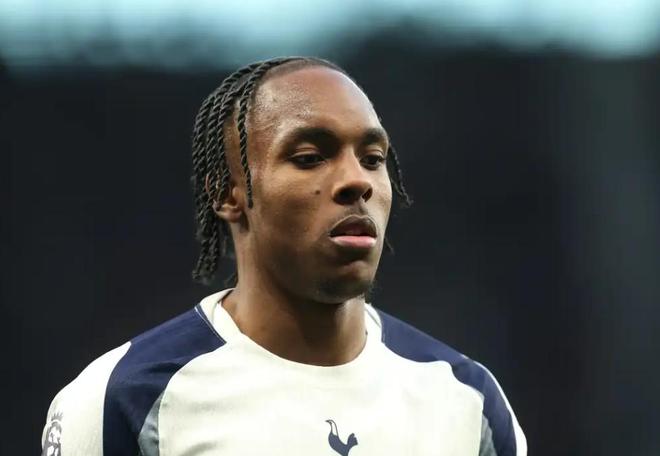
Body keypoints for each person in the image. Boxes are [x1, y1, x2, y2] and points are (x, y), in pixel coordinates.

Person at [41, 56, 526, 456]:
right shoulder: (125, 400)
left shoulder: (468, 402)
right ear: (227, 194)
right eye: (310, 157)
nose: (357, 181)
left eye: (373, 159)